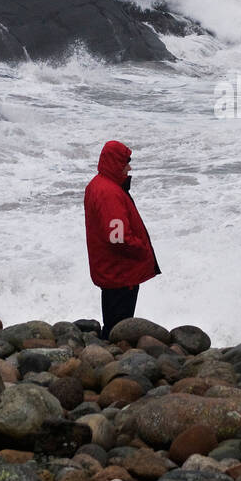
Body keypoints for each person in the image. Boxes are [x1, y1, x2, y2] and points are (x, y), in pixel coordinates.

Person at [83, 140, 161, 337]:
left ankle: (108, 350)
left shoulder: (98, 184)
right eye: (125, 162)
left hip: (111, 269)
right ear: (115, 163)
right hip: (120, 272)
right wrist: (142, 249)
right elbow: (117, 237)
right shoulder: (109, 192)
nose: (129, 167)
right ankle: (113, 356)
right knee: (118, 329)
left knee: (112, 321)